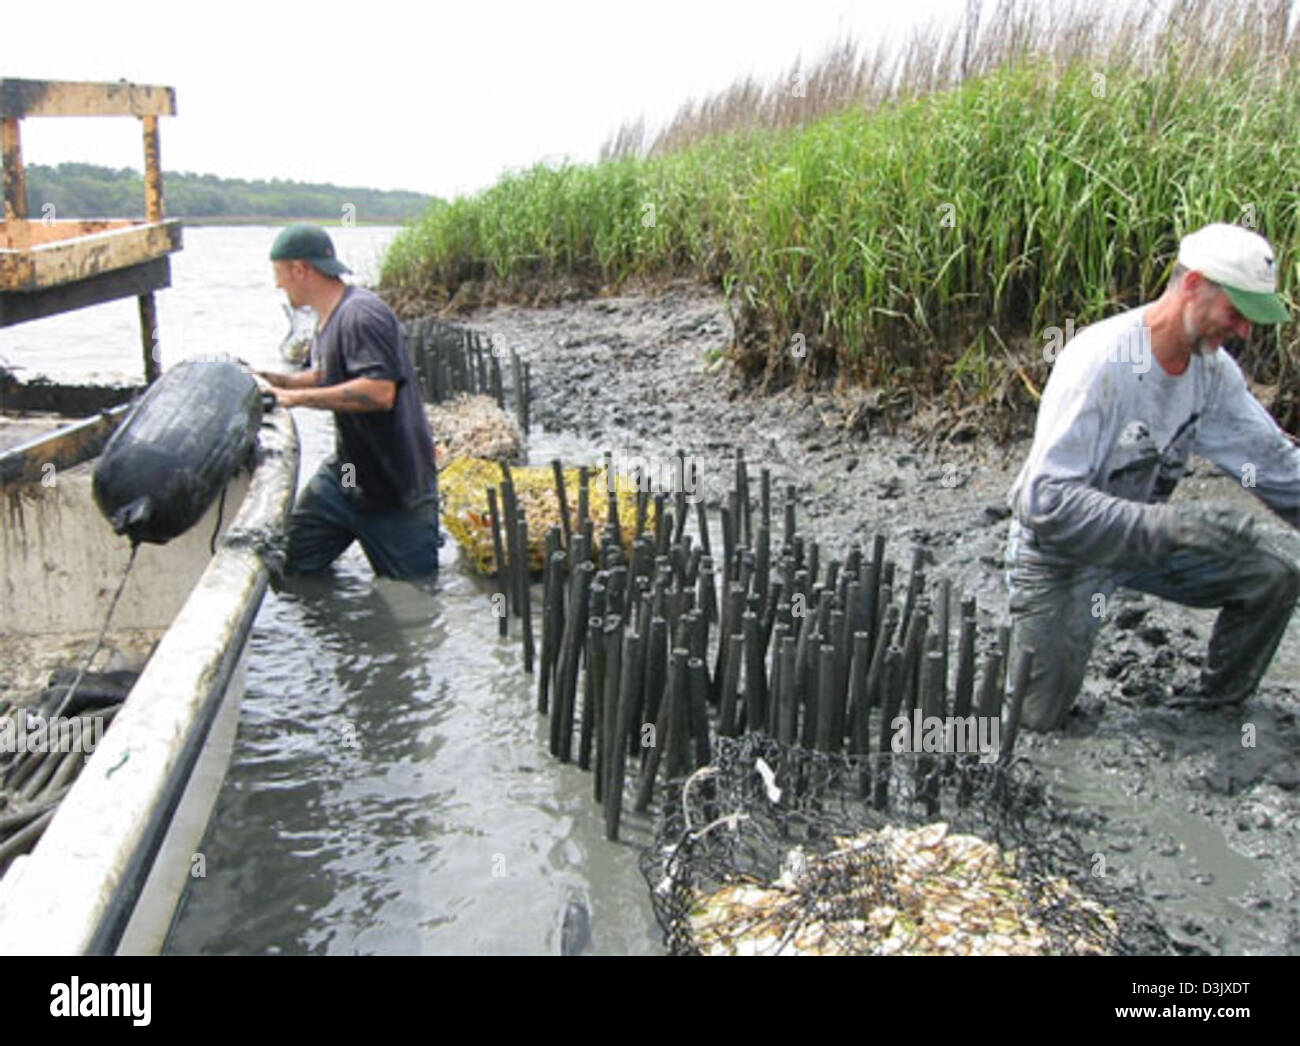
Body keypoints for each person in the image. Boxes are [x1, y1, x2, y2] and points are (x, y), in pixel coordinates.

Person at [1006, 222, 1299, 731]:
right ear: (1192, 285)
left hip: (1144, 546)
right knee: (1036, 721)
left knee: (1270, 577)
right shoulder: (1101, 362)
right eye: (1237, 313)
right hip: (1064, 555)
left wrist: (1166, 531)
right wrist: (1174, 526)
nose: (1245, 331)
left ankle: (1214, 714)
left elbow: (1276, 467)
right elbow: (1043, 501)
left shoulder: (1213, 375)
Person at [259, 224, 439, 580]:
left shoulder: (360, 314)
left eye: (279, 274)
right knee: (289, 566)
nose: (278, 284)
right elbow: (325, 375)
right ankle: (331, 628)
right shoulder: (328, 317)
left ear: (300, 269)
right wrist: (275, 381)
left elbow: (379, 391)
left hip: (396, 486)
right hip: (348, 474)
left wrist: (295, 399)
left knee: (415, 600)